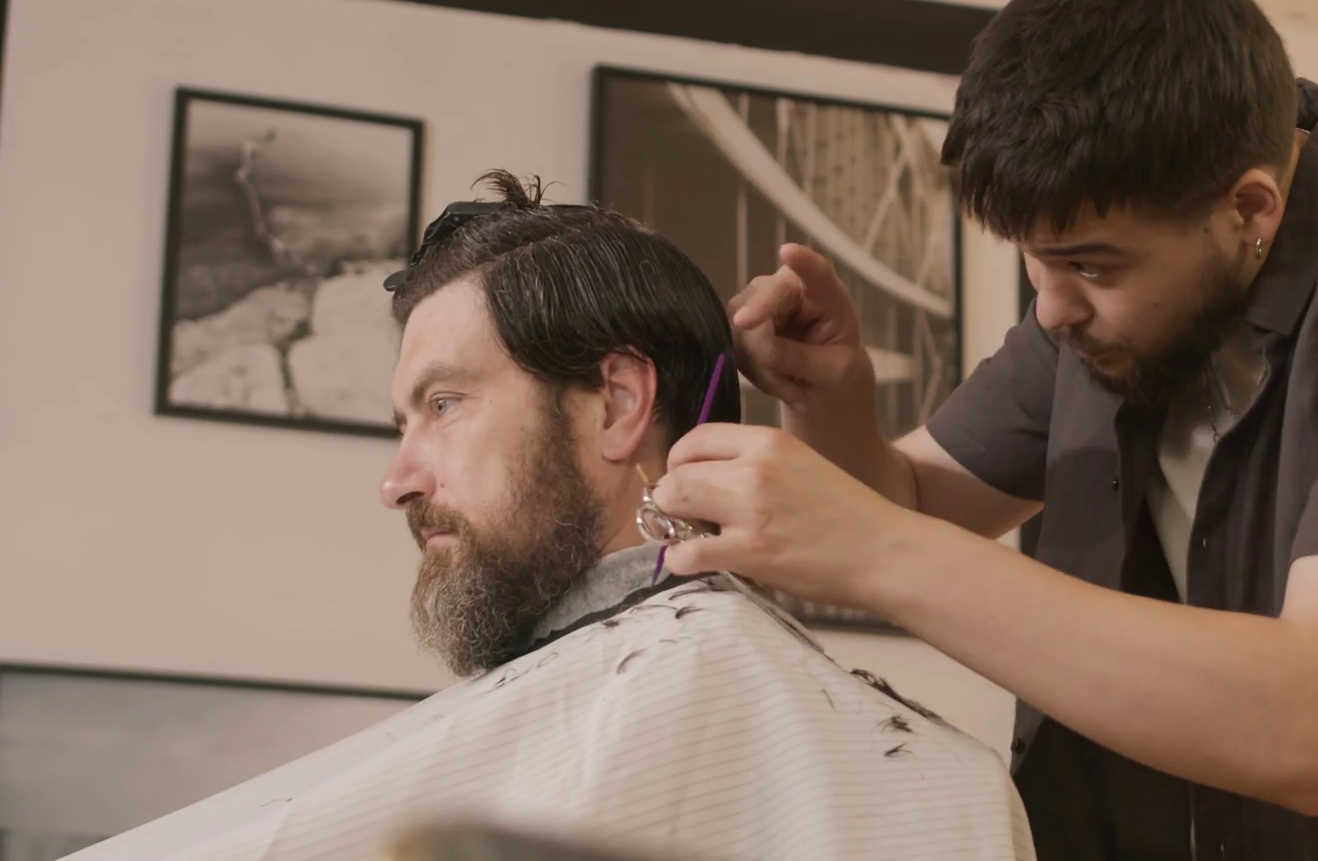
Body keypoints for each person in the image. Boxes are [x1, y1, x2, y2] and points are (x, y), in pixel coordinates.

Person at [651, 0, 1318, 860]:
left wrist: (872, 545)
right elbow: (912, 504)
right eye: (1036, 263)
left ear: (1249, 210)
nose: (1050, 310)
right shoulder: (1112, 314)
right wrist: (834, 407)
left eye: (1089, 264)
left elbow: (1312, 723)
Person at [72, 173, 1035, 861]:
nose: (397, 480)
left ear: (617, 404)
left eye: (443, 405)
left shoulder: (733, 699)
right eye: (403, 422)